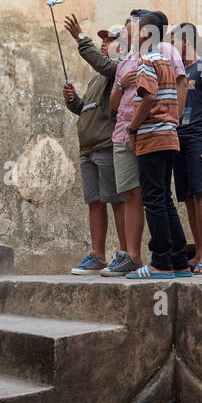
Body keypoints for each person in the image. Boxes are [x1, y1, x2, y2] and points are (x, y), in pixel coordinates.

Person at [103, 10, 188, 276]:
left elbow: (148, 98)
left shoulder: (148, 60)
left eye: (137, 28)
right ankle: (180, 262)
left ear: (145, 34)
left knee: (152, 200)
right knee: (162, 198)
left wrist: (133, 126)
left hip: (152, 137)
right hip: (167, 136)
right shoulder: (162, 59)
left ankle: (161, 263)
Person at [62, 24, 129, 275]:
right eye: (101, 40)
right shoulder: (97, 78)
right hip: (88, 148)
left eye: (109, 40)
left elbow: (101, 63)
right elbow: (88, 109)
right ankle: (98, 256)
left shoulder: (118, 69)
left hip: (107, 145)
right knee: (95, 202)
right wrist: (73, 101)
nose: (103, 43)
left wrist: (81, 37)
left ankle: (124, 253)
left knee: (117, 200)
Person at [170, 23, 202, 274]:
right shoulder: (177, 72)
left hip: (199, 135)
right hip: (178, 136)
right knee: (188, 196)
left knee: (201, 192)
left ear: (185, 41)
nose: (170, 48)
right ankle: (198, 249)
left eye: (173, 43)